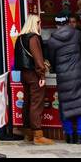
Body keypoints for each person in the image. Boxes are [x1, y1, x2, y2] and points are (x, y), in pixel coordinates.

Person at [46, 14, 81, 144]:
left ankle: (69, 135)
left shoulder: (52, 40)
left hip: (63, 75)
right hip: (77, 72)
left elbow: (51, 59)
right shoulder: (77, 34)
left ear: (56, 24)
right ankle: (80, 135)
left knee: (65, 105)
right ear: (67, 22)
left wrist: (58, 68)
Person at [14, 15, 54, 145]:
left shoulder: (20, 38)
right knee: (36, 104)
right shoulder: (33, 38)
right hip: (33, 75)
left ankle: (28, 133)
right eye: (39, 23)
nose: (40, 25)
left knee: (27, 102)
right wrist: (42, 75)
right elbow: (38, 58)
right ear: (35, 23)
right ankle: (37, 135)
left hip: (23, 74)